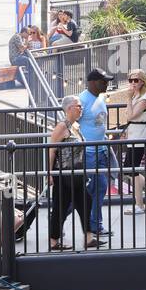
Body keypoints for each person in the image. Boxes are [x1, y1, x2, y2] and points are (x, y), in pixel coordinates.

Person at [48, 96, 100, 250]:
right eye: (79, 106)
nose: (81, 109)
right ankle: (53, 241)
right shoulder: (62, 127)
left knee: (86, 201)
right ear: (70, 108)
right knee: (60, 207)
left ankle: (89, 238)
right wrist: (50, 173)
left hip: (76, 173)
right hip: (64, 174)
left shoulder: (75, 126)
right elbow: (51, 150)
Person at [79, 68, 112, 241]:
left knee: (98, 188)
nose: (107, 84)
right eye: (103, 81)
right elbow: (72, 123)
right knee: (92, 188)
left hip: (101, 150)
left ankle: (95, 224)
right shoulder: (82, 100)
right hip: (89, 153)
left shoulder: (99, 98)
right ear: (92, 83)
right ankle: (93, 225)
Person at [122, 68, 146, 211]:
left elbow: (131, 116)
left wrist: (128, 99)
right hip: (135, 133)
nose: (133, 83)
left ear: (142, 81)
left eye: (136, 80)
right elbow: (129, 117)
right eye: (131, 80)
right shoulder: (137, 96)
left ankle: (142, 202)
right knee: (130, 170)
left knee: (131, 170)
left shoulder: (143, 99)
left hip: (140, 135)